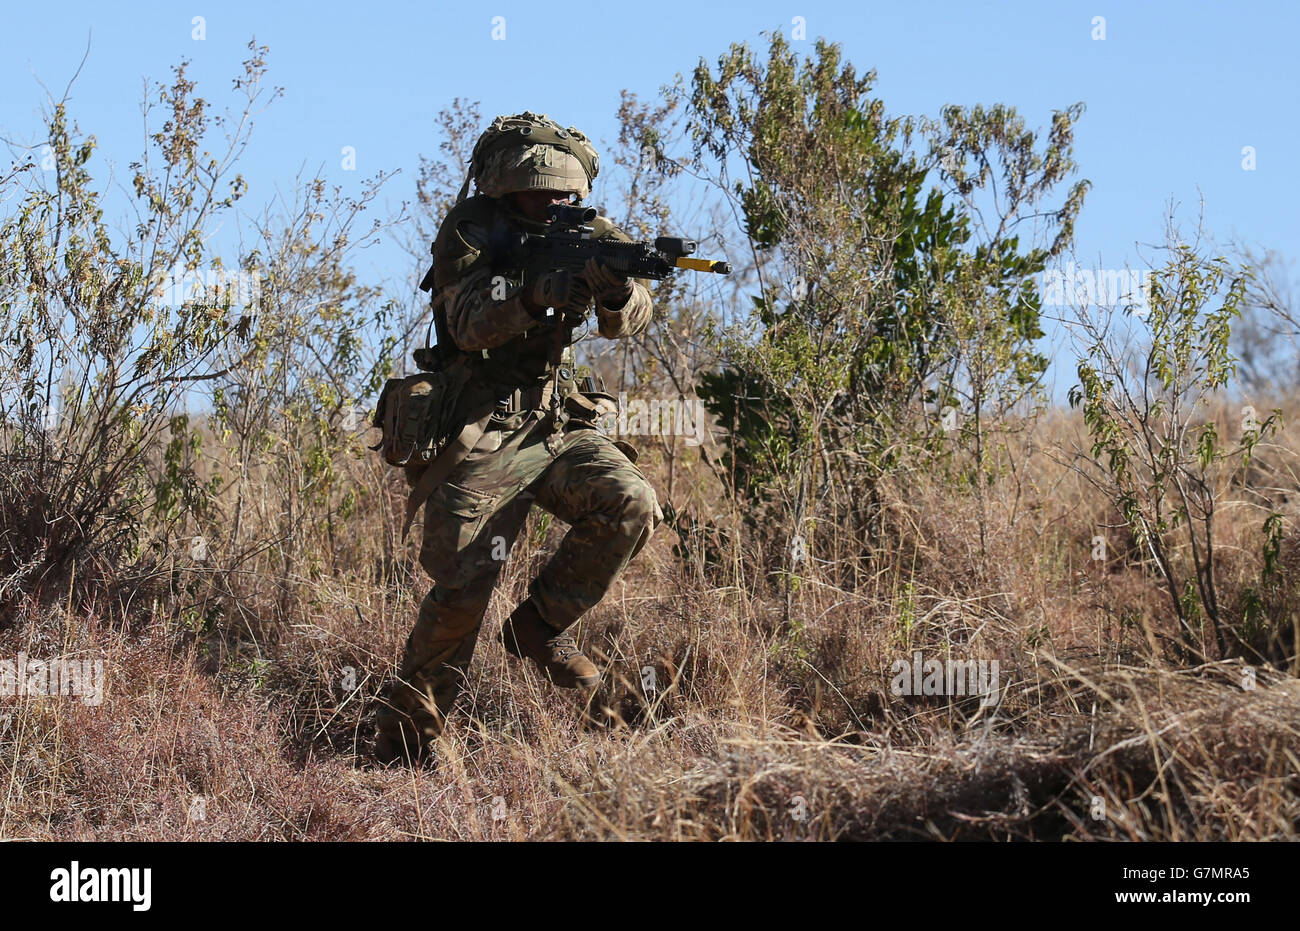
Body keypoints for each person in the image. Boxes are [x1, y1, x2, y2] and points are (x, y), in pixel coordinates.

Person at [373, 112, 662, 763]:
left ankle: (538, 626)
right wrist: (533, 296)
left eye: (568, 192)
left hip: (557, 425)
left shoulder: (592, 233)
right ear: (508, 188)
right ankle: (409, 737)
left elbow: (633, 313)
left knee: (632, 503)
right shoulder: (474, 229)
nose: (560, 202)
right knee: (462, 588)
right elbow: (467, 322)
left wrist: (616, 290)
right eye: (544, 192)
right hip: (480, 429)